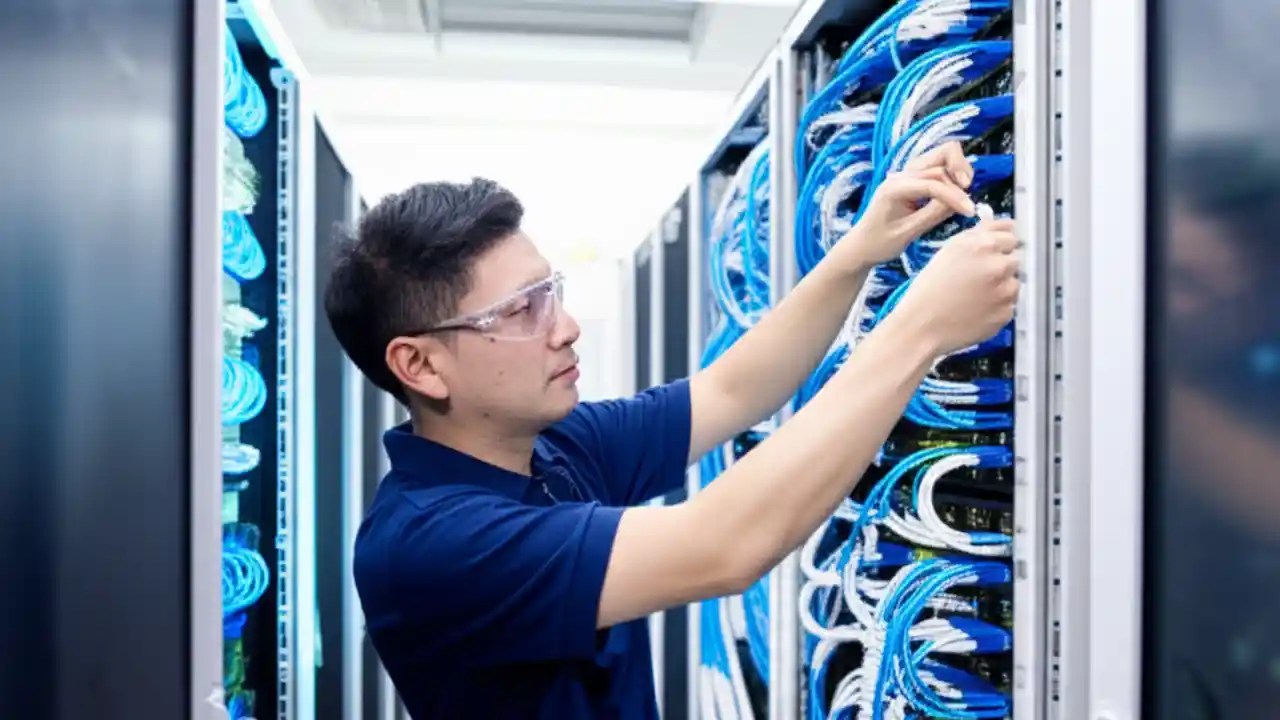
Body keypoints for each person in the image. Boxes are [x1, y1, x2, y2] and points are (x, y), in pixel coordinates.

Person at [323, 141, 1020, 719]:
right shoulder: (429, 546)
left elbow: (729, 389)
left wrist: (857, 253)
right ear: (419, 364)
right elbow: (726, 546)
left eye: (552, 292)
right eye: (521, 311)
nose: (565, 328)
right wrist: (921, 328)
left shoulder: (551, 448)